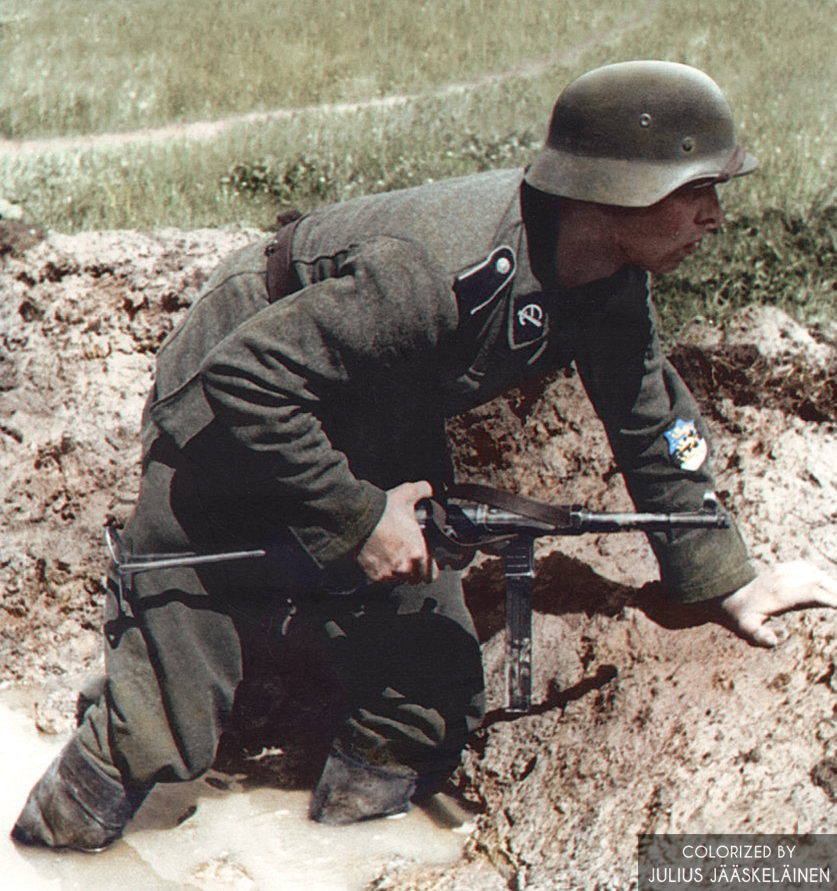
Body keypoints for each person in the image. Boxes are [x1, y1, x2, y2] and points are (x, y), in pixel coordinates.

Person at [12, 60, 837, 851]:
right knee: (167, 714)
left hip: (373, 400)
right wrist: (357, 516)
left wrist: (724, 576)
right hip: (236, 401)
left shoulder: (605, 280)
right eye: (694, 192)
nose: (713, 217)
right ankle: (53, 847)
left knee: (428, 689)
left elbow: (648, 414)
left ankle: (342, 851)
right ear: (612, 193)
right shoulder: (431, 270)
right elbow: (249, 378)